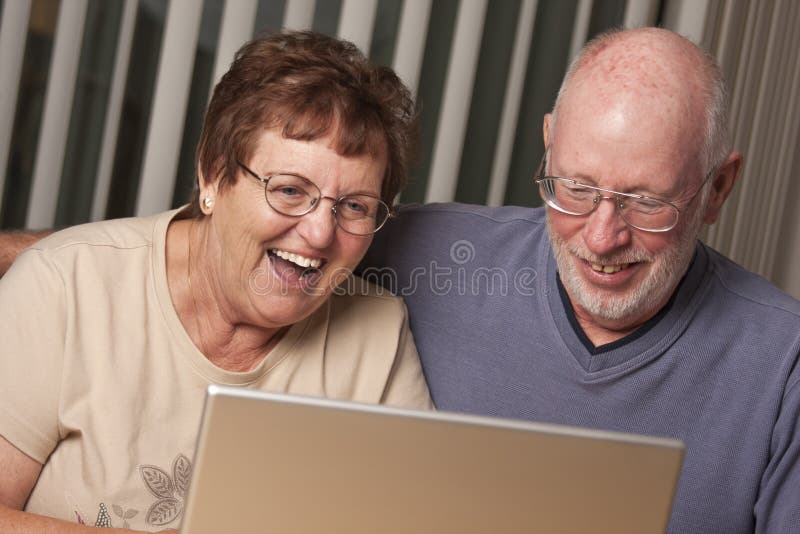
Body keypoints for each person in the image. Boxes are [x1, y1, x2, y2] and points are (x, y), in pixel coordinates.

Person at [360, 28, 799, 533]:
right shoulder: (416, 253)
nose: (602, 236)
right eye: (576, 187)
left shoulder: (786, 366)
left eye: (647, 202)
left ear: (717, 188)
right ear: (549, 144)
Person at [0, 30, 431, 533]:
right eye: (290, 190)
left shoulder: (378, 336)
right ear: (213, 174)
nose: (318, 233)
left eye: (354, 206)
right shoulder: (65, 285)